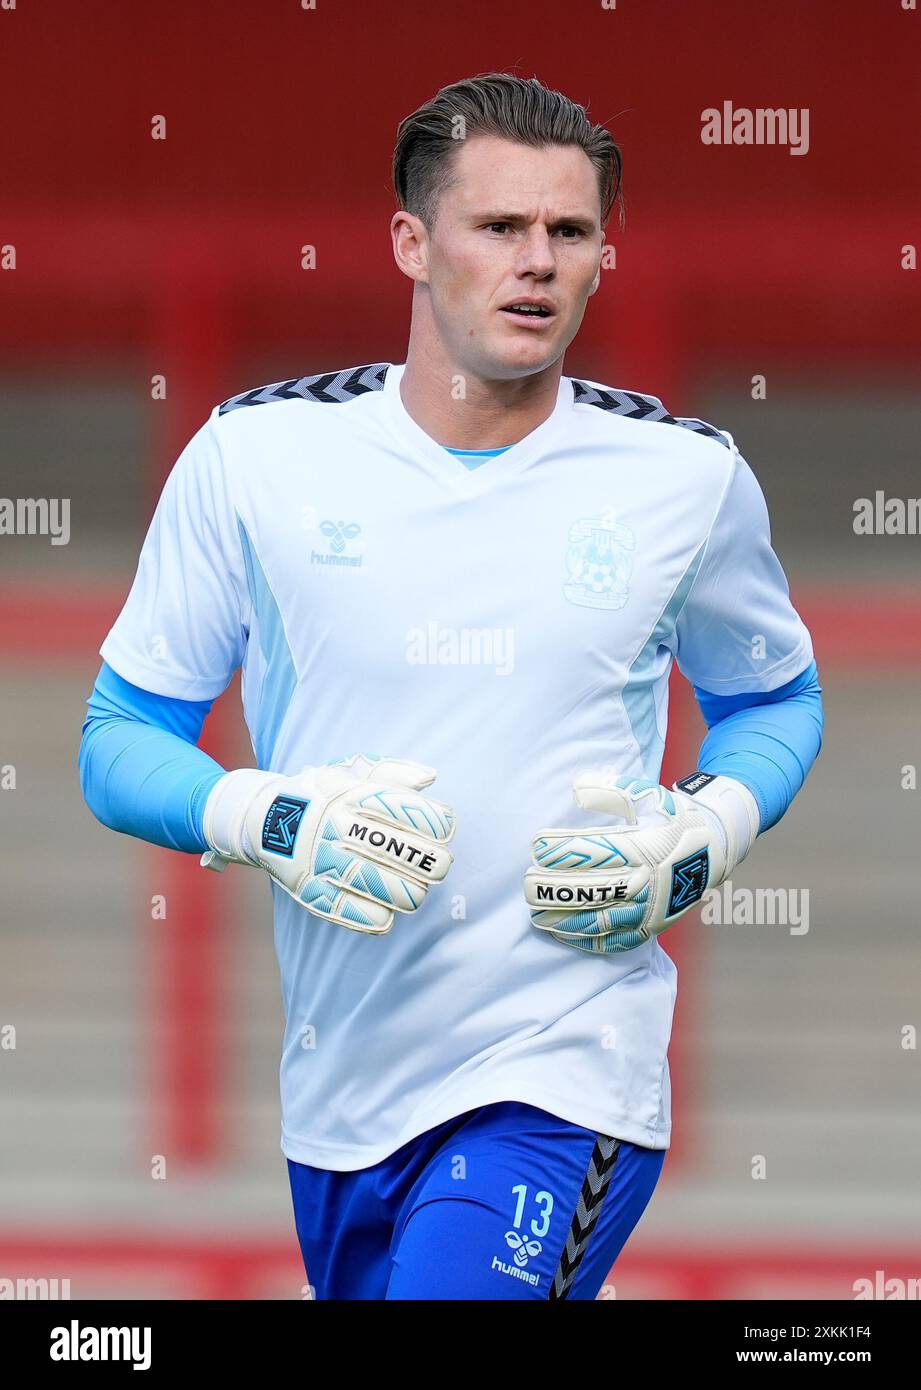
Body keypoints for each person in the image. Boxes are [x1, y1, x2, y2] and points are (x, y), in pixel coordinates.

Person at [79, 72, 823, 1300]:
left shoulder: (682, 478)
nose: (538, 262)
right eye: (500, 228)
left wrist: (702, 829)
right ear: (412, 244)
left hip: (563, 1073)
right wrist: (277, 820)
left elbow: (776, 701)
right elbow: (120, 739)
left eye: (569, 232)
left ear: (601, 257)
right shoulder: (256, 458)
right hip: (342, 1099)